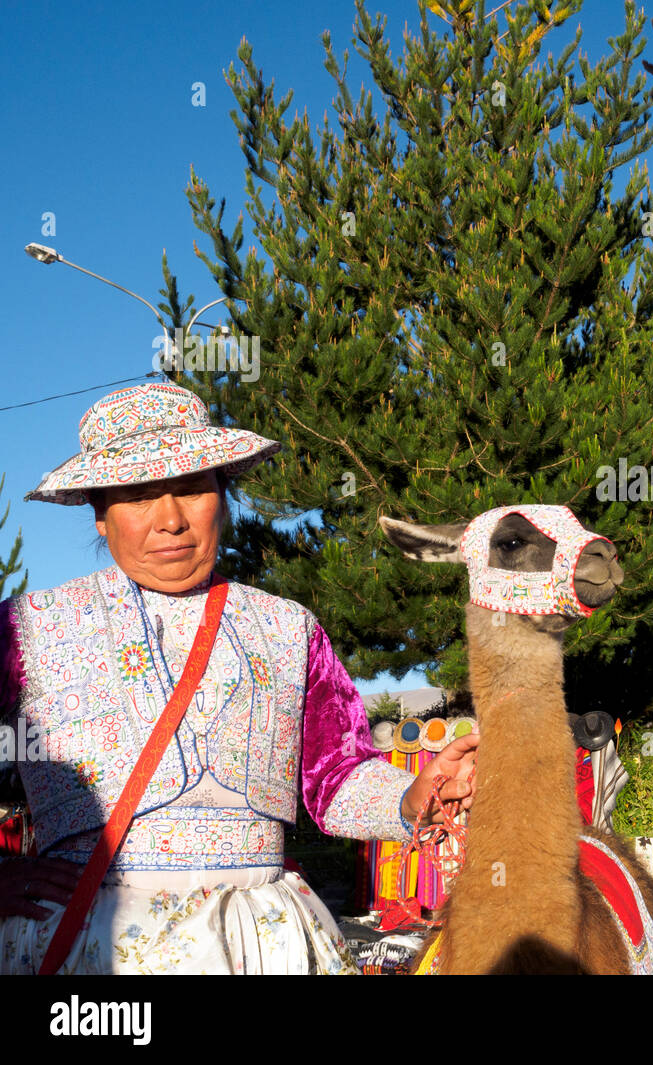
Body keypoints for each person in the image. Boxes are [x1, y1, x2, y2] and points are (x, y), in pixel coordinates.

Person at [0, 383, 477, 974]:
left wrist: (411, 796)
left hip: (263, 942)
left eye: (194, 488)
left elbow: (334, 775)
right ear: (100, 514)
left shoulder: (287, 628)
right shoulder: (28, 627)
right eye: (139, 496)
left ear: (223, 497)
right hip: (88, 945)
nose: (170, 520)